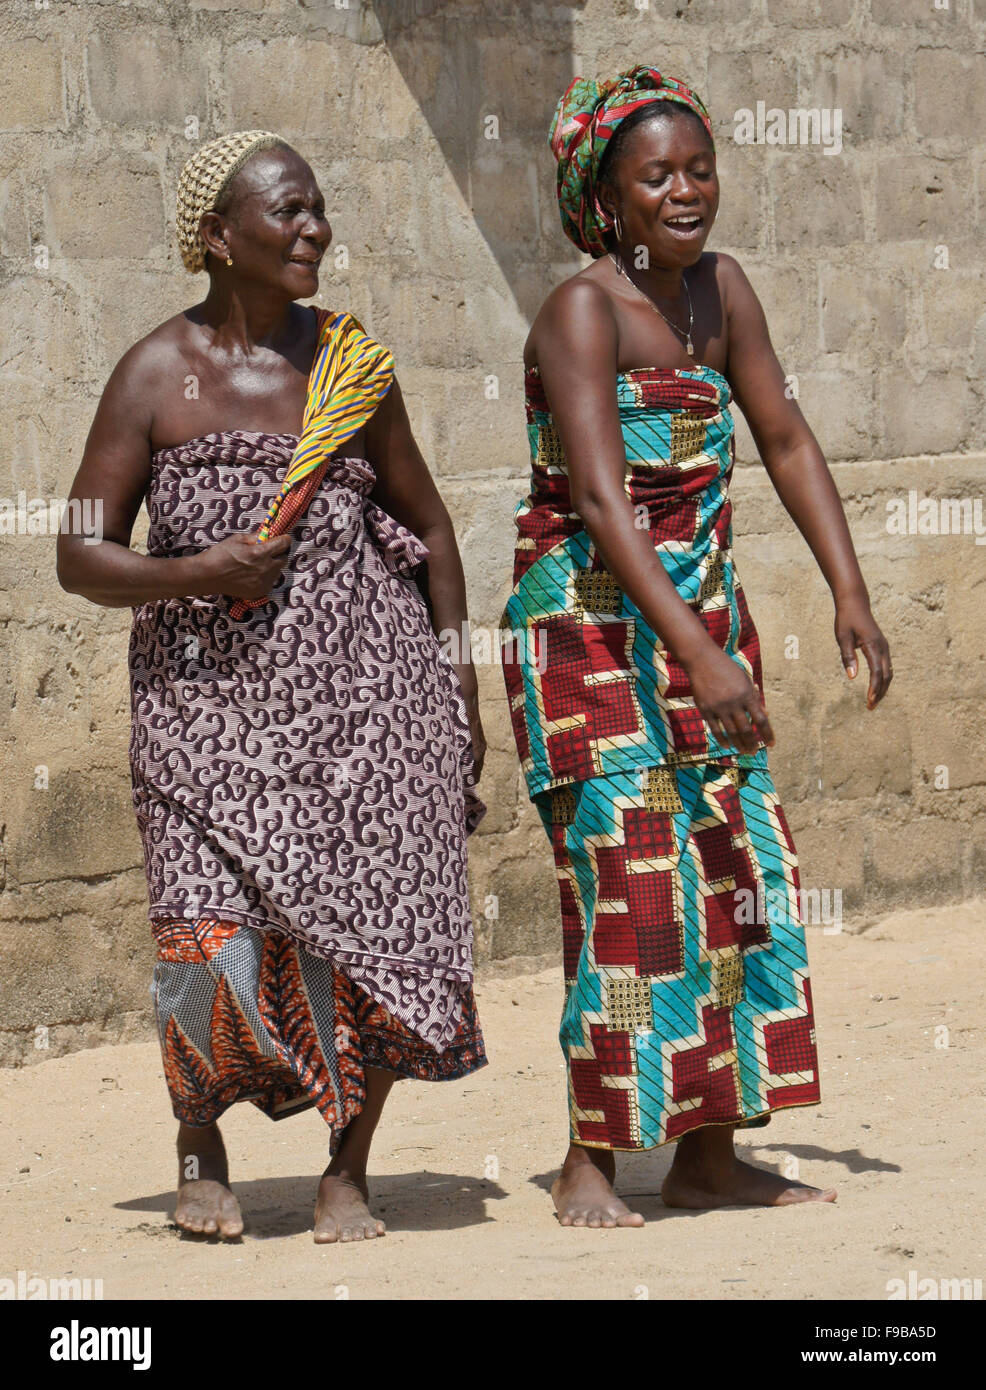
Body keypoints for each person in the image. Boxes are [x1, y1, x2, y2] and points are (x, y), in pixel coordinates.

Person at [57, 130, 487, 1244]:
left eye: (317, 209)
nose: (313, 231)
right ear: (216, 237)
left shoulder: (351, 368)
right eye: (287, 212)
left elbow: (432, 531)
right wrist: (200, 570)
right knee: (202, 932)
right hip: (203, 720)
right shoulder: (156, 374)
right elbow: (78, 551)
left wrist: (458, 688)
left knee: (377, 924)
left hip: (366, 704)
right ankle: (202, 1145)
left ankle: (348, 1165)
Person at [501, 67, 892, 1228]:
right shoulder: (582, 311)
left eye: (698, 168)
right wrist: (699, 660)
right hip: (586, 635)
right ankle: (589, 1156)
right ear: (607, 201)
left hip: (704, 617)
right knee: (627, 888)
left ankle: (709, 1155)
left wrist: (847, 589)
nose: (685, 191)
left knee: (733, 870)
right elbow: (601, 501)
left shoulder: (721, 292)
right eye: (655, 176)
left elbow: (780, 429)